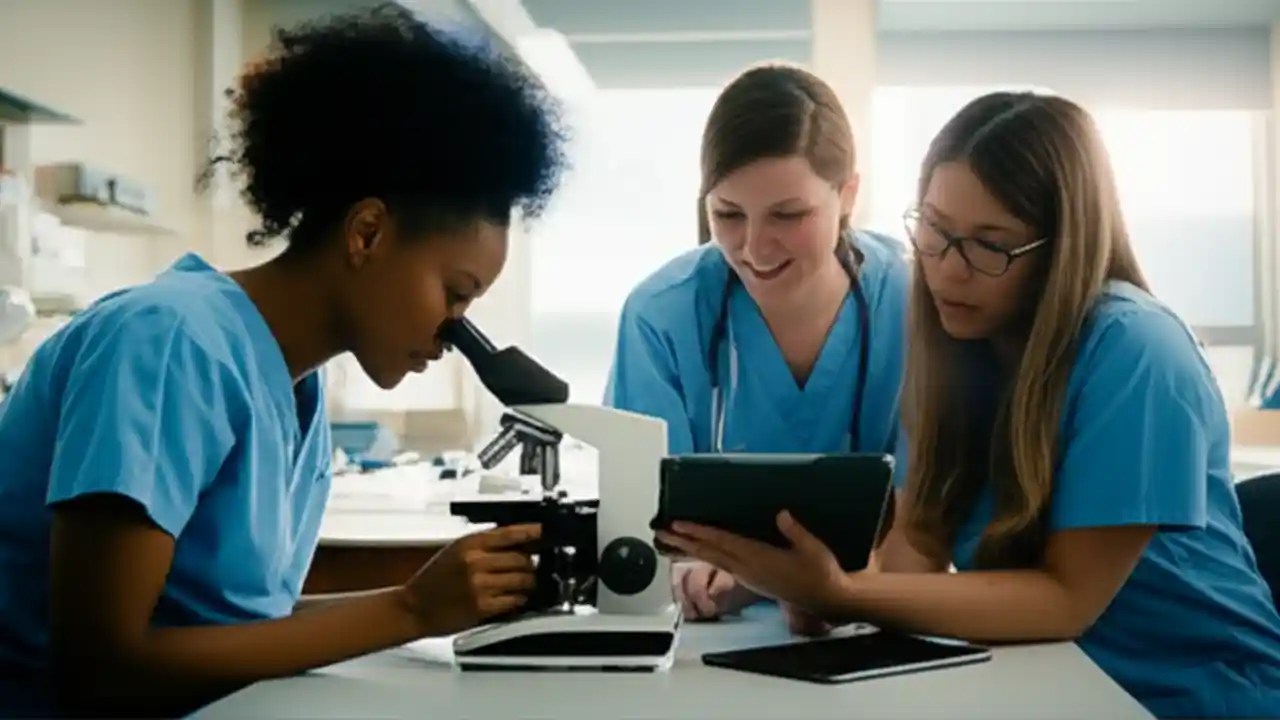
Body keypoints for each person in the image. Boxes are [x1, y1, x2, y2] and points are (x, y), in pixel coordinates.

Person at [0, 5, 569, 717]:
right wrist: (410, 610)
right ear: (367, 233)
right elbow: (103, 666)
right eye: (455, 295)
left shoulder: (294, 390)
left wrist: (438, 602)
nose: (455, 333)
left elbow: (233, 632)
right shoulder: (170, 341)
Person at [657, 90, 1280, 719]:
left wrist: (845, 592)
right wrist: (806, 591)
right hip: (1043, 686)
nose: (946, 271)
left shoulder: (1136, 351)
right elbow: (918, 545)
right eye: (934, 231)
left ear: (1061, 247)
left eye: (989, 245)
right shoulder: (962, 343)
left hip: (1189, 694)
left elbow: (1066, 600)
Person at [602, 64, 909, 627]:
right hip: (710, 642)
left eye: (788, 215)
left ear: (847, 195)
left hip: (876, 626)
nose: (754, 247)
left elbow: (928, 518)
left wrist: (836, 591)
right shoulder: (661, 316)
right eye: (727, 214)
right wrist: (694, 573)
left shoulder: (916, 308)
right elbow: (640, 521)